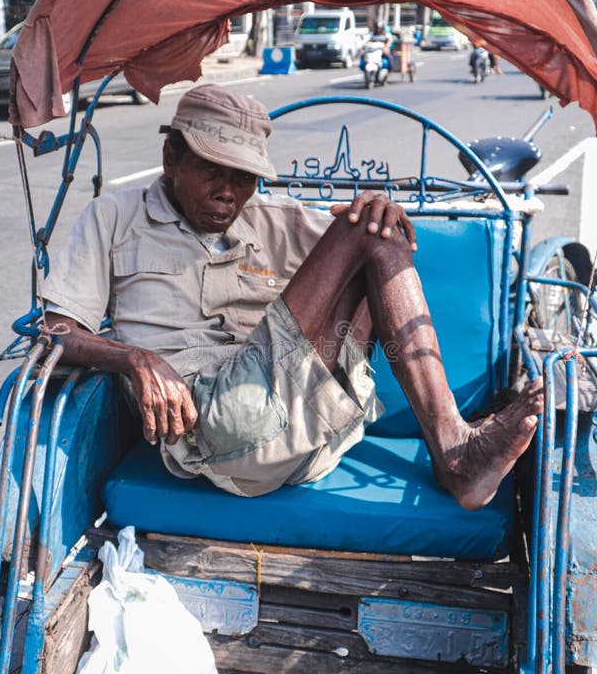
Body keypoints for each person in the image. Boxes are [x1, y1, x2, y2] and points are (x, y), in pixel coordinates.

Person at [42, 84, 542, 509]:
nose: (228, 194)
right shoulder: (114, 218)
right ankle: (455, 450)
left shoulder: (272, 218)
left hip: (308, 435)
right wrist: (135, 358)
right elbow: (57, 331)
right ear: (170, 159)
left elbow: (382, 246)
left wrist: (380, 213)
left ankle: (454, 447)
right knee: (365, 229)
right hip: (212, 426)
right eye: (211, 171)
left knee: (375, 228)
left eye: (243, 178)